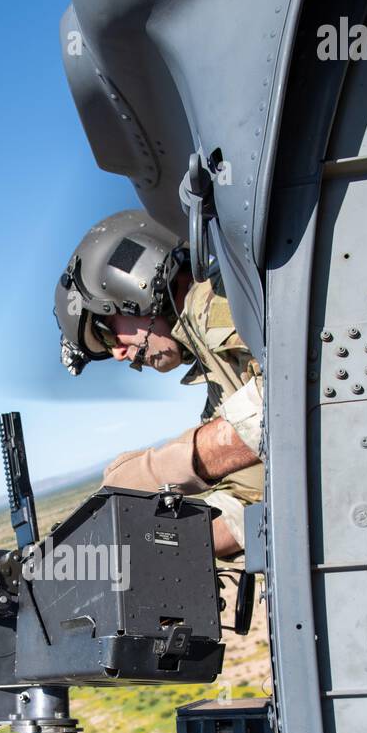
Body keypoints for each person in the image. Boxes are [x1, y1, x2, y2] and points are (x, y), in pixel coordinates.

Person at [54, 209, 264, 558]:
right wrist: (154, 542)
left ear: (131, 281)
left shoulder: (216, 300)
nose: (120, 354)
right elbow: (249, 499)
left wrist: (153, 472)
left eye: (108, 335)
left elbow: (281, 411)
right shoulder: (215, 371)